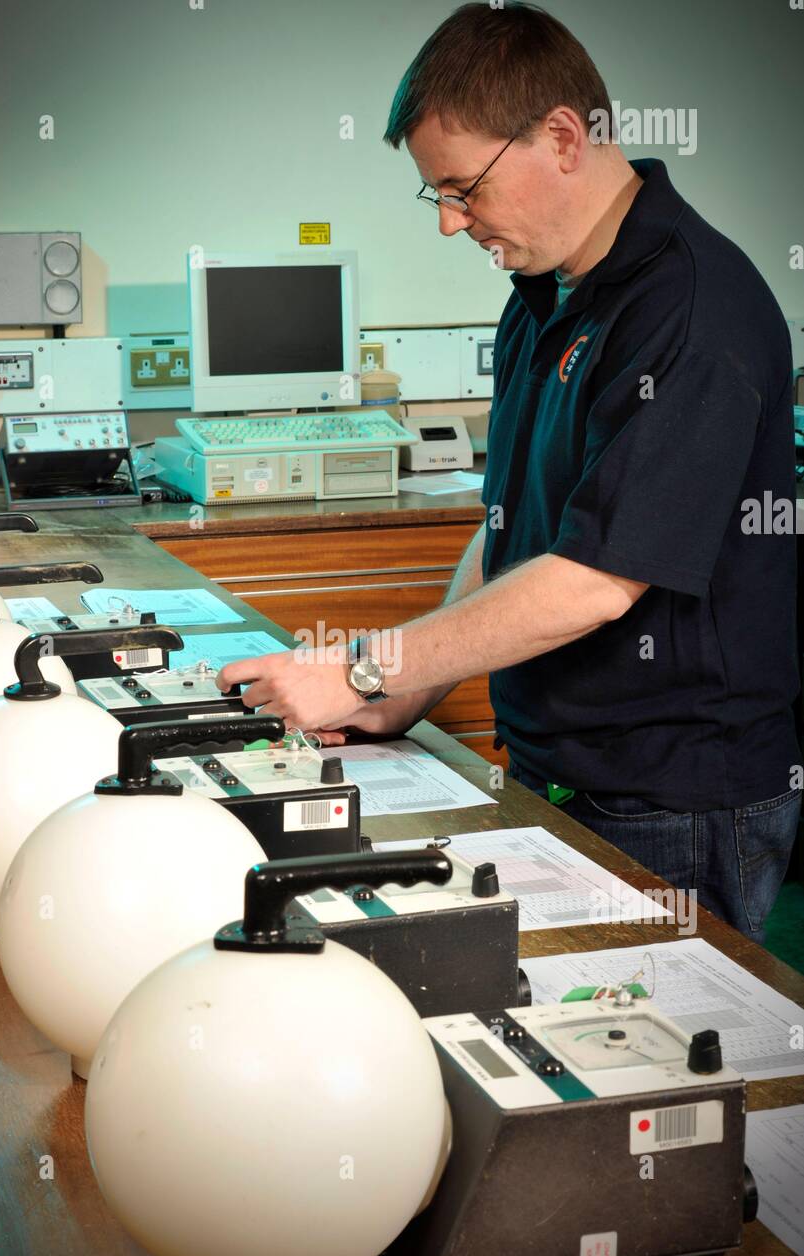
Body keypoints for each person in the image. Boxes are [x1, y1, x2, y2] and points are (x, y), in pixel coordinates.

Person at [218, 2, 800, 941]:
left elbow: (593, 582)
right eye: (436, 196)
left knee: (628, 1065)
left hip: (673, 799)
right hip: (551, 763)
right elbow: (513, 531)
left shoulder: (694, 313)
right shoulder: (542, 293)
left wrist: (368, 670)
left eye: (462, 188)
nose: (451, 223)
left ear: (562, 138)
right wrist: (407, 689)